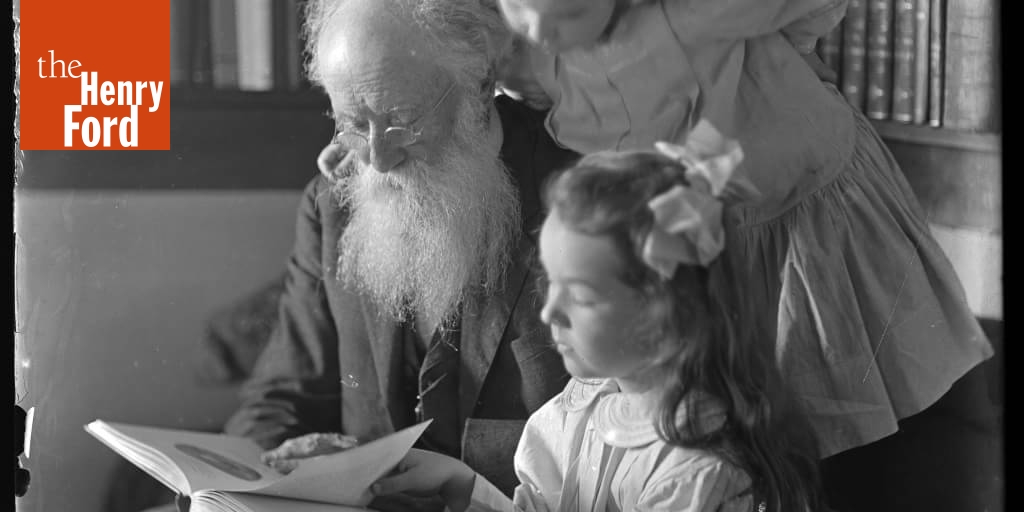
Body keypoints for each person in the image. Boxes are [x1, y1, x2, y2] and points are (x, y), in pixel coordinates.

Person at [491, 1, 998, 511]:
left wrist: (776, 61)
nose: (541, 33)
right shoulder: (525, 57)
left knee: (880, 450)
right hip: (679, 253)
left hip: (810, 222)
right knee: (730, 430)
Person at [221, 0, 582, 510]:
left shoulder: (579, 206)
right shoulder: (333, 207)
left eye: (401, 120)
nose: (378, 157)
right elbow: (280, 401)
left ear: (479, 85)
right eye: (353, 122)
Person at [369, 142, 829, 511]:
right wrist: (462, 482)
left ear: (669, 313)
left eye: (582, 295)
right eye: (550, 283)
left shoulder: (698, 474)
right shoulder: (577, 413)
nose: (550, 313)